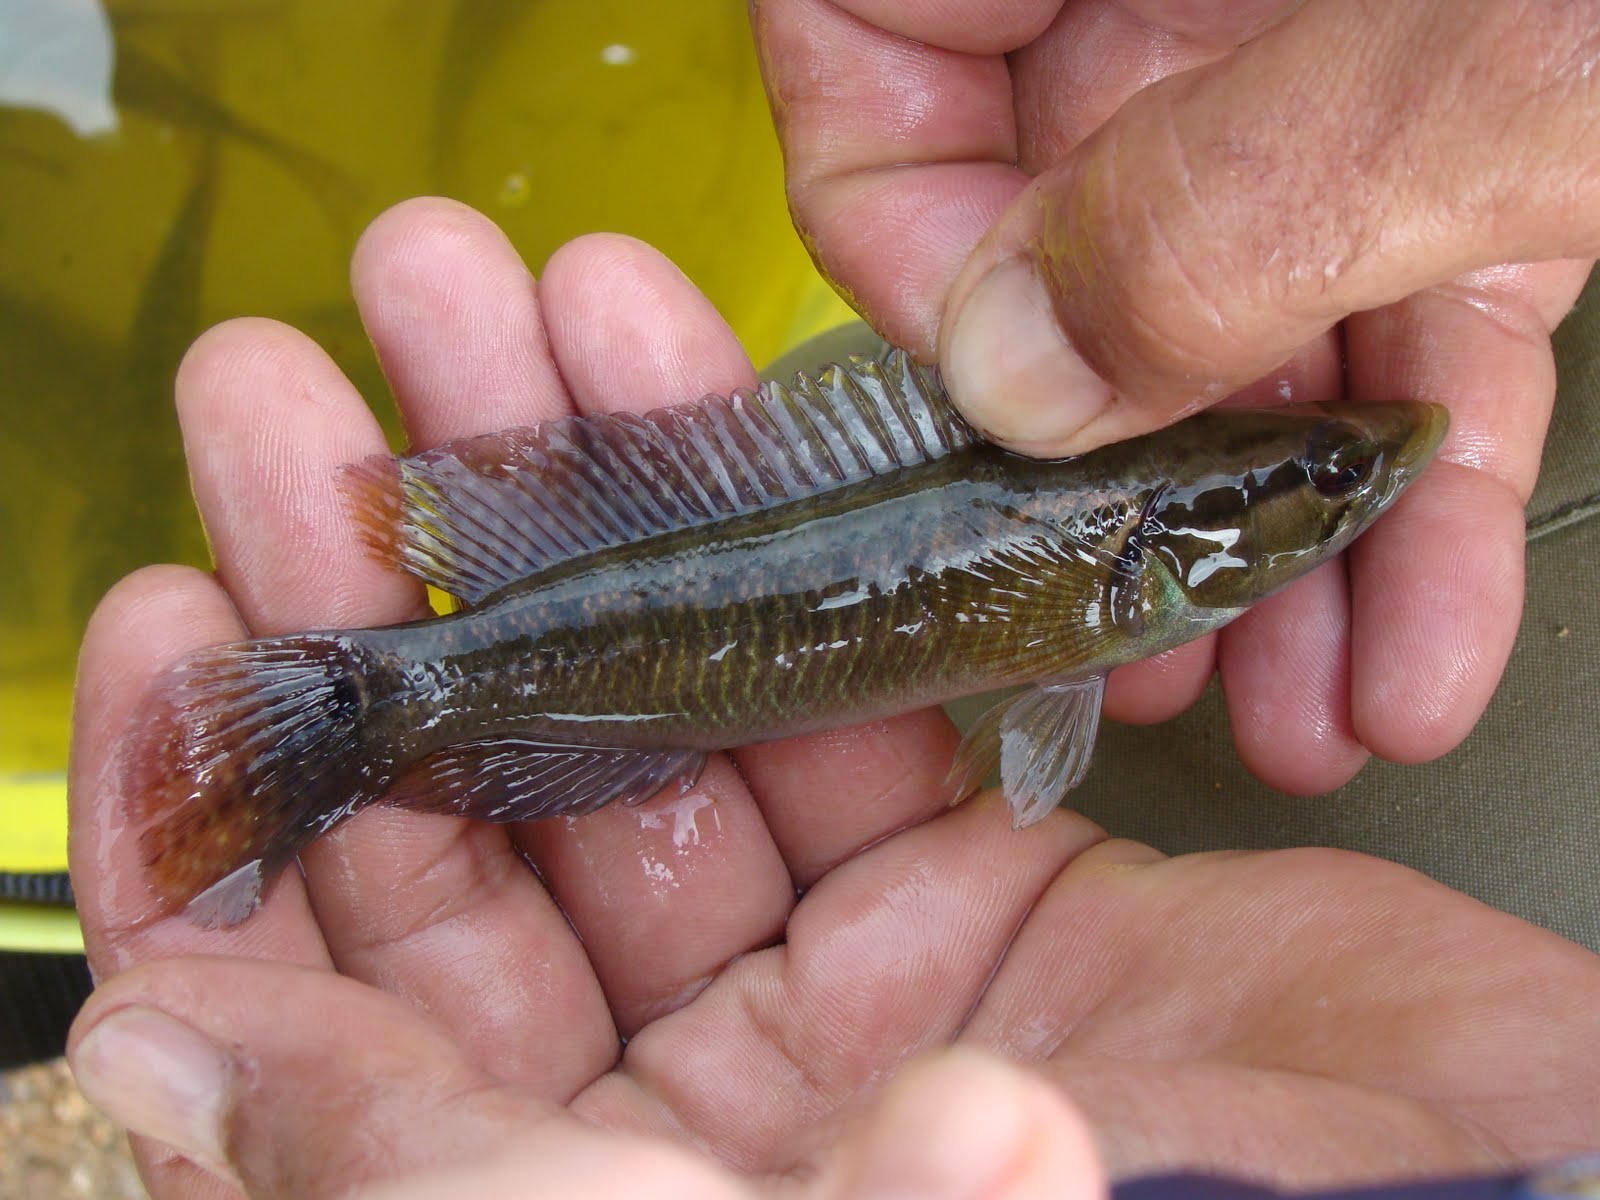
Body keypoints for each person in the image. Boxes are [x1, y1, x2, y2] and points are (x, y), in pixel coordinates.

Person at [67, 3, 1600, 1198]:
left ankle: (333, 735)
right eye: (1324, 485)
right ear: (1181, 546)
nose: (1368, 473)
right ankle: (342, 719)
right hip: (547, 656)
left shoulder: (1133, 565)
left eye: (1322, 479)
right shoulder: (1121, 571)